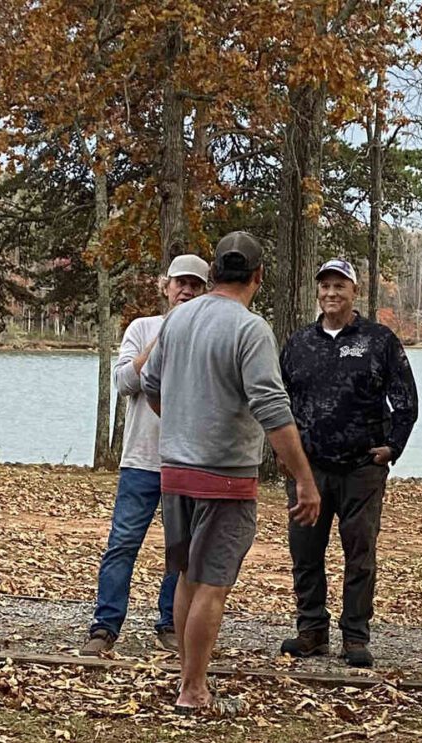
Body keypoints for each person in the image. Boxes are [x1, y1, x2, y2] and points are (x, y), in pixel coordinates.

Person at [141, 231, 321, 714]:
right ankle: (194, 691)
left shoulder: (177, 319)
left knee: (187, 576)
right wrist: (303, 478)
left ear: (215, 272)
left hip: (175, 473)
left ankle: (188, 679)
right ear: (258, 276)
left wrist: (182, 425)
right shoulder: (250, 329)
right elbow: (272, 407)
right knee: (213, 584)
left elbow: (150, 384)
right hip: (225, 477)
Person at [278, 258, 418, 668]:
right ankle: (311, 630)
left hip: (361, 468)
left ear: (355, 291)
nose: (331, 293)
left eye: (340, 285)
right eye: (325, 286)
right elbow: (277, 402)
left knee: (360, 554)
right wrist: (282, 453)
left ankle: (355, 635)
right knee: (305, 552)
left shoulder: (379, 340)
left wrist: (393, 446)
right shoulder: (299, 343)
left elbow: (406, 399)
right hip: (308, 469)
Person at [80, 255, 209, 656]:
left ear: (205, 291)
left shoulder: (208, 334)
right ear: (165, 286)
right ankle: (105, 627)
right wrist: (165, 334)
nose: (186, 291)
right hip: (141, 460)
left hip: (187, 461)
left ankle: (170, 624)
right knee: (122, 543)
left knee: (181, 550)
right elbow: (124, 382)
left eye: (195, 285)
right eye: (180, 283)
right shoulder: (142, 328)